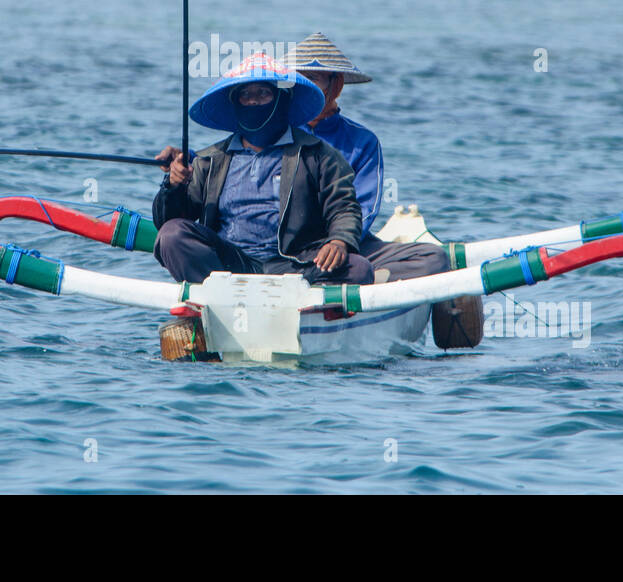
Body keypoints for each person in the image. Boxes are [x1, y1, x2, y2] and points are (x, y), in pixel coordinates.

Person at [284, 33, 483, 347]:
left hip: (346, 247)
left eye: (314, 80)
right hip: (285, 247)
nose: (305, 90)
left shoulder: (362, 141)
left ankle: (363, 278)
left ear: (335, 87)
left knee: (434, 259)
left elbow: (362, 210)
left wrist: (337, 242)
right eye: (298, 82)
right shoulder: (272, 134)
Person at [152, 53, 374, 288]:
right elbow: (169, 219)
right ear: (235, 103)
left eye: (263, 93)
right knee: (172, 235)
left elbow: (344, 207)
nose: (254, 101)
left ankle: (310, 310)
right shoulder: (211, 160)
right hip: (230, 264)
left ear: (280, 99)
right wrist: (174, 184)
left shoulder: (317, 154)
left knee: (358, 268)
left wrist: (339, 241)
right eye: (245, 95)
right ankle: (213, 298)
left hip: (293, 264)